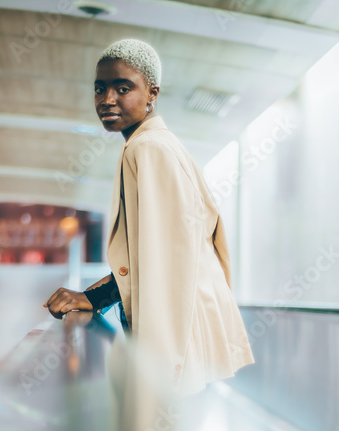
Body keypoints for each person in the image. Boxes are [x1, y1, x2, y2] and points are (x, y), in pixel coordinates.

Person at [44, 39, 254, 394]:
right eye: (99, 89)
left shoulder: (149, 148)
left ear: (151, 93)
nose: (106, 100)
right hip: (183, 330)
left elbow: (166, 257)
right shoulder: (153, 144)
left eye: (122, 88)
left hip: (175, 337)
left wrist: (157, 365)